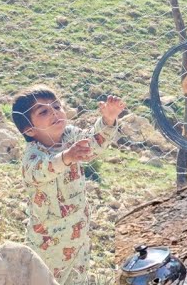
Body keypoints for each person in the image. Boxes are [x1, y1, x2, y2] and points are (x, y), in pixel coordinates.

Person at [11, 86, 126, 285]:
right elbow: (41, 170)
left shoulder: (70, 136)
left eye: (56, 106)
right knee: (44, 280)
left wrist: (108, 120)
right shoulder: (32, 154)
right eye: (44, 111)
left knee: (77, 279)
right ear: (29, 129)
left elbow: (94, 144)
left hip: (78, 234)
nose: (54, 112)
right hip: (47, 241)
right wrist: (67, 157)